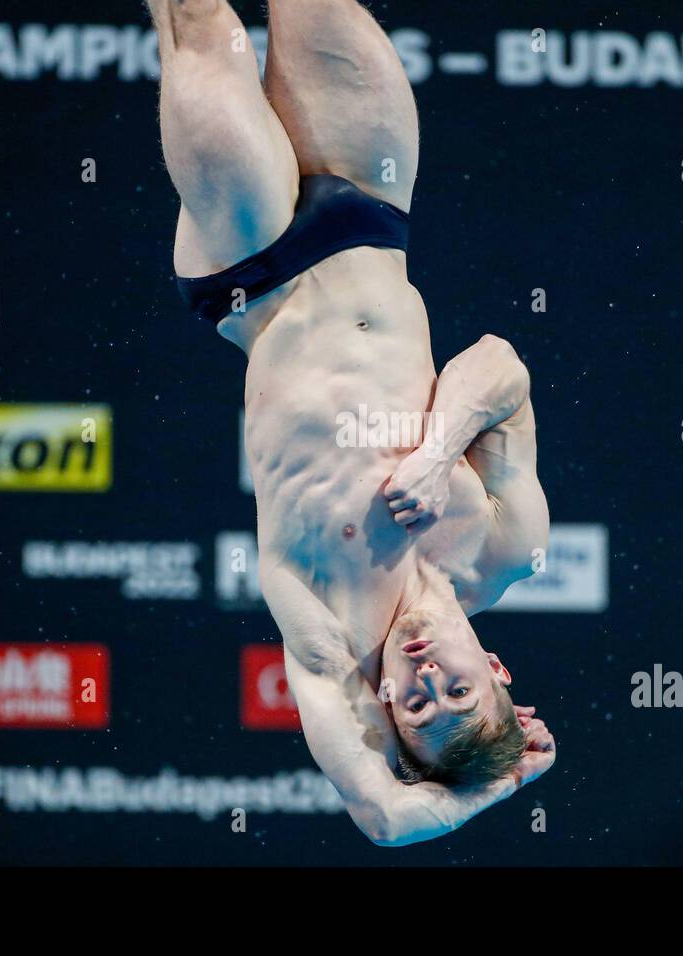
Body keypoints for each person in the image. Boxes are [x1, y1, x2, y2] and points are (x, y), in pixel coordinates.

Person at [148, 0, 553, 845]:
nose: (426, 677)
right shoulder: (506, 551)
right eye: (459, 690)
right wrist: (440, 453)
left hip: (250, 269)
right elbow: (502, 368)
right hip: (371, 212)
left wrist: (501, 783)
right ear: (498, 670)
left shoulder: (329, 645)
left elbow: (386, 820)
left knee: (195, 22)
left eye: (413, 705)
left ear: (384, 710)